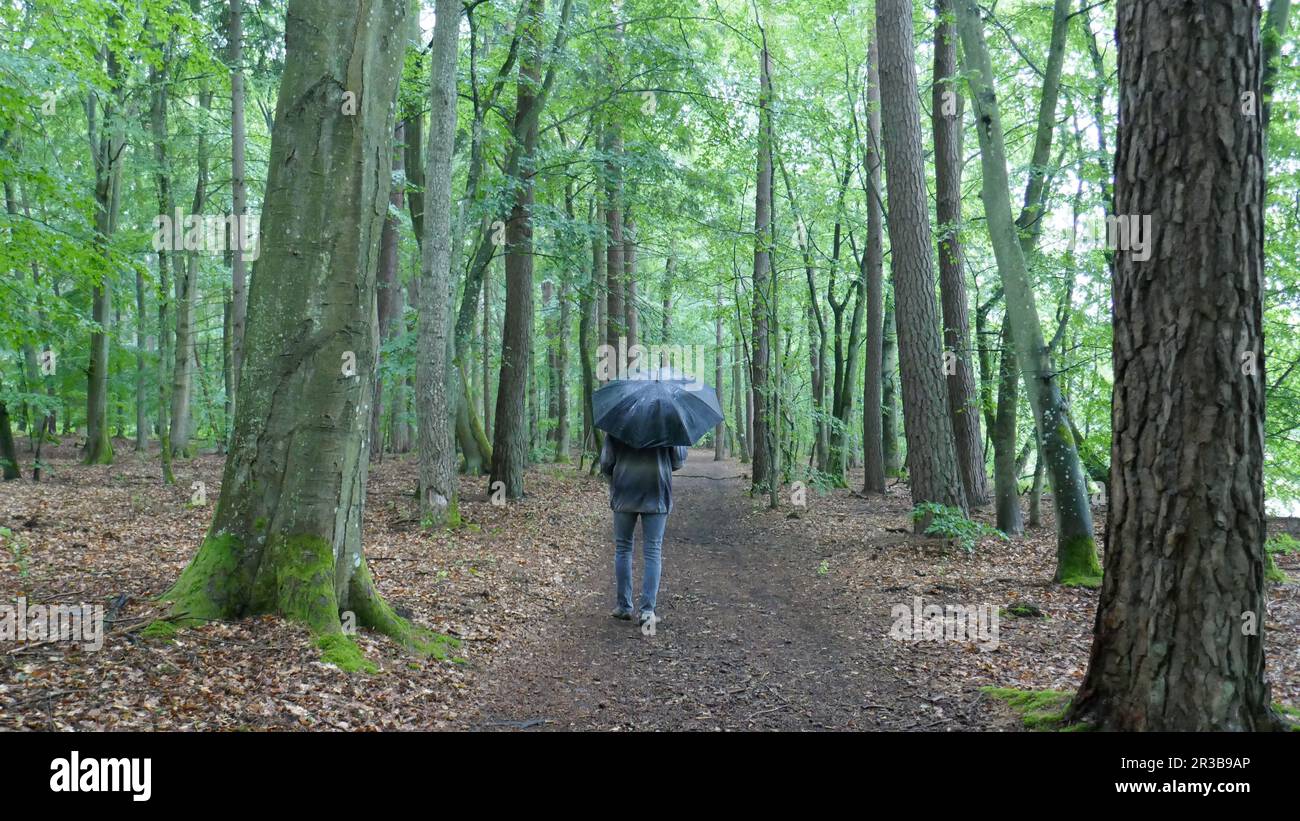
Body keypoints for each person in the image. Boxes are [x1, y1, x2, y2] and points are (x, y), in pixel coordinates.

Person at [599, 434, 688, 628]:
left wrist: (614, 480)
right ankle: (647, 611)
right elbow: (678, 461)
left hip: (624, 491)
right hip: (657, 491)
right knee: (653, 551)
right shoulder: (667, 423)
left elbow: (606, 463)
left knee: (623, 548)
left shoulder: (620, 422)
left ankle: (623, 606)